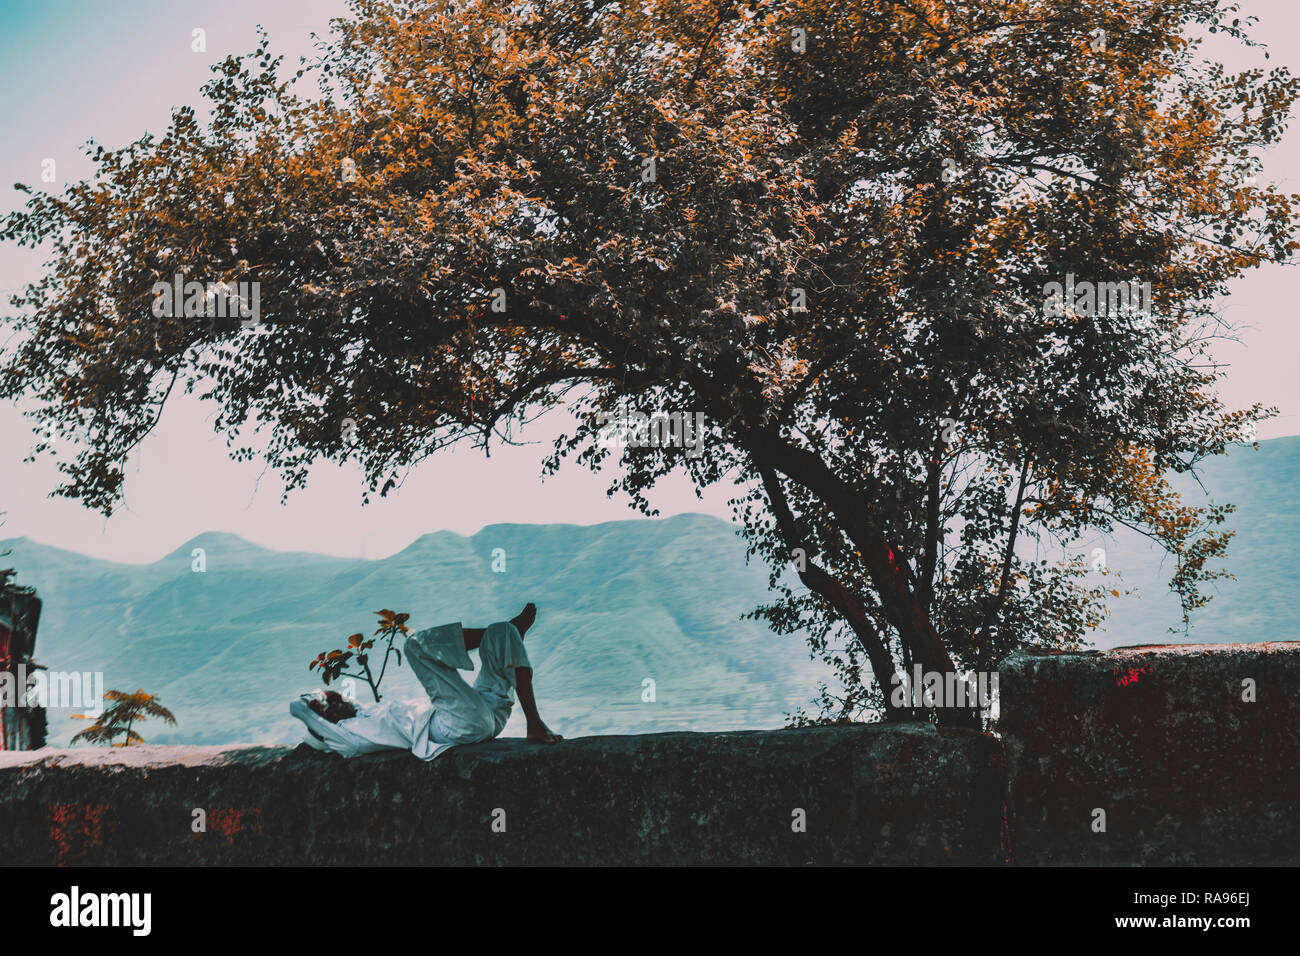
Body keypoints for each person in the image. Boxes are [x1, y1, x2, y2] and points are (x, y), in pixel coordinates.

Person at [290, 603, 562, 759]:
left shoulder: (365, 712)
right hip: (459, 725)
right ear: (326, 727)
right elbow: (297, 706)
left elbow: (343, 703)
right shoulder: (349, 738)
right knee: (414, 646)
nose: (337, 704)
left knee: (503, 633)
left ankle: (501, 637)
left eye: (334, 702)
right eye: (329, 711)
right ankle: (495, 635)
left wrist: (329, 700)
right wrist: (316, 708)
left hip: (487, 712)